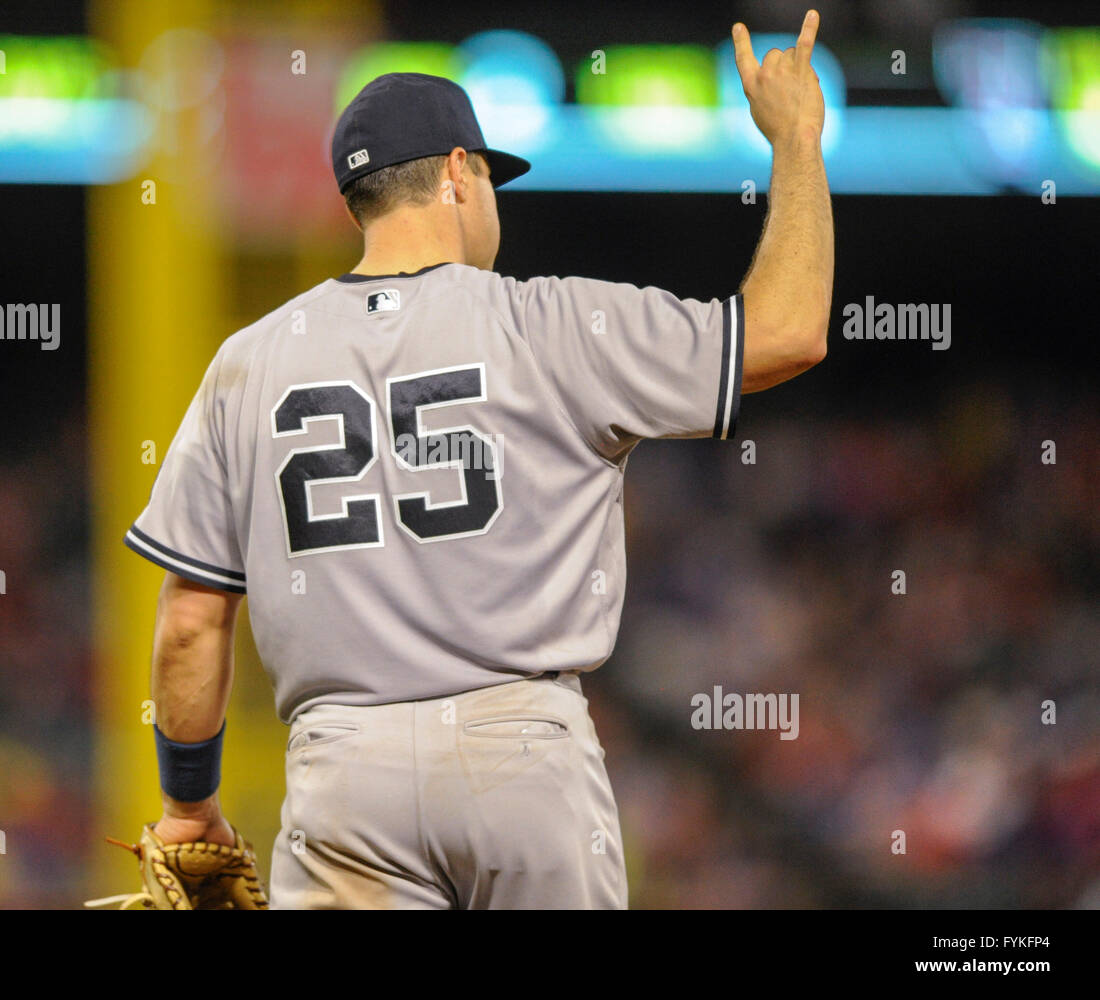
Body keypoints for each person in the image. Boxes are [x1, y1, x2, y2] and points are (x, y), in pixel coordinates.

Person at [125, 11, 833, 908]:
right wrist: (798, 141)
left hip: (341, 772)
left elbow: (190, 618)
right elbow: (788, 332)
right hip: (520, 755)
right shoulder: (552, 321)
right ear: (459, 174)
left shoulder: (250, 361)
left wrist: (189, 806)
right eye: (492, 176)